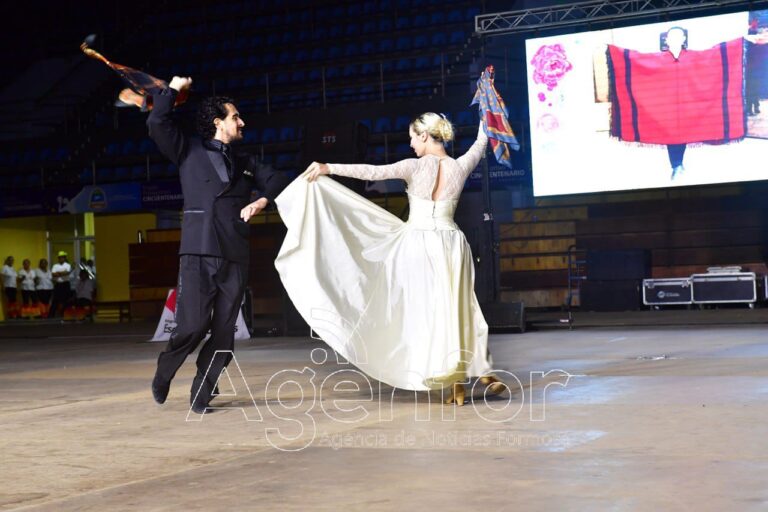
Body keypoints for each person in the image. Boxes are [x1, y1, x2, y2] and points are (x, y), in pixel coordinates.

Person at [276, 113, 504, 406]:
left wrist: (328, 167)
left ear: (424, 135)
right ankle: (473, 374)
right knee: (458, 305)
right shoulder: (460, 166)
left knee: (431, 311)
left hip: (419, 243)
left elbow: (372, 172)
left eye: (412, 137)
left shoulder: (414, 166)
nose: (410, 144)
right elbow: (481, 142)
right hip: (451, 241)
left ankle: (456, 378)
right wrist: (487, 113)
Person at [147, 76, 286, 414]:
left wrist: (261, 201)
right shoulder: (187, 150)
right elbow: (157, 121)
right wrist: (172, 89)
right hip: (198, 250)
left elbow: (278, 179)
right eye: (235, 117)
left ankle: (202, 392)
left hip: (235, 255)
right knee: (192, 326)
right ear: (218, 122)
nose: (242, 122)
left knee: (224, 334)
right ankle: (165, 369)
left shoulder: (246, 161)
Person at [49, 251, 72, 318]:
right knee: (55, 300)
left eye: (62, 257)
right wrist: (62, 273)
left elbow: (67, 273)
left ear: (64, 258)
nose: (61, 259)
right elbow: (53, 274)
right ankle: (51, 315)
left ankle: (65, 314)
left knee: (66, 300)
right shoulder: (55, 265)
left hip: (65, 284)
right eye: (59, 257)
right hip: (58, 284)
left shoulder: (68, 265)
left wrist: (58, 273)